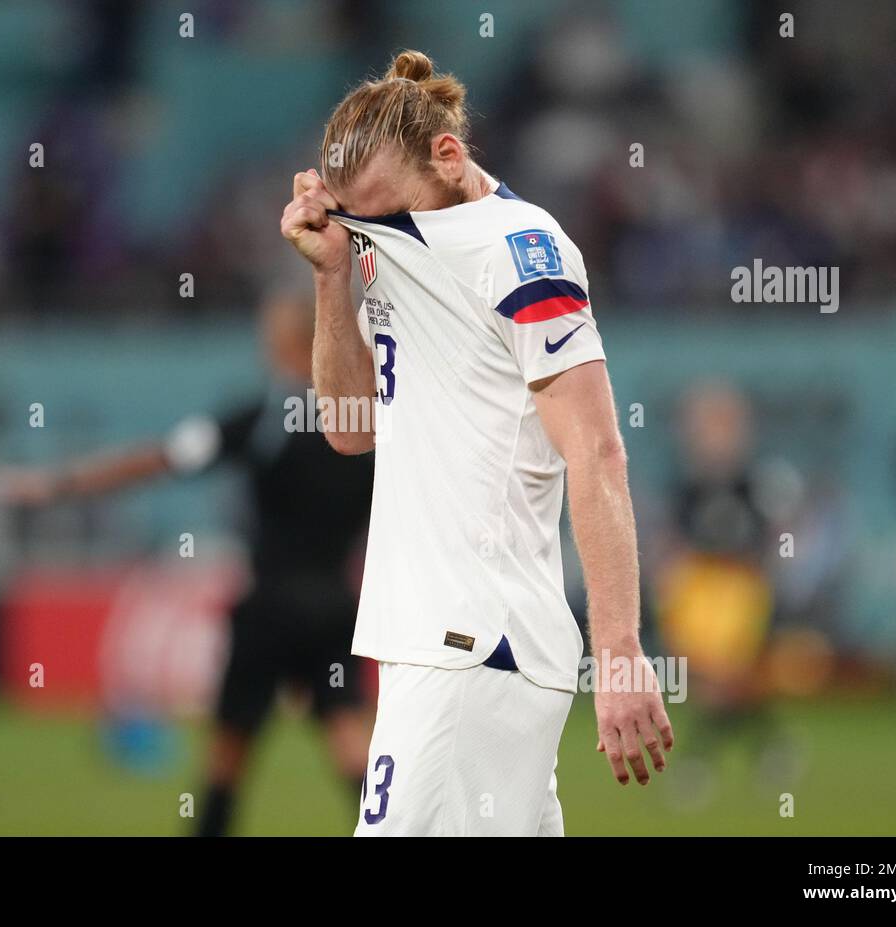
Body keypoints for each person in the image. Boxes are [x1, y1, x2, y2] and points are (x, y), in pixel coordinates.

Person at [279, 50, 673, 836]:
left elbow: (596, 452)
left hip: (472, 643)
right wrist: (331, 278)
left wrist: (622, 649)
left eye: (382, 214)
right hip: (441, 643)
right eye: (358, 220)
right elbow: (350, 430)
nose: (370, 233)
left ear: (449, 157)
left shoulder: (521, 253)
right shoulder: (394, 244)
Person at [0, 292, 374, 837]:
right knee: (349, 742)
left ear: (292, 342)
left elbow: (163, 458)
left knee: (228, 755)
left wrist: (61, 484)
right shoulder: (364, 424)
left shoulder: (263, 419)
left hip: (268, 606)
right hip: (337, 605)